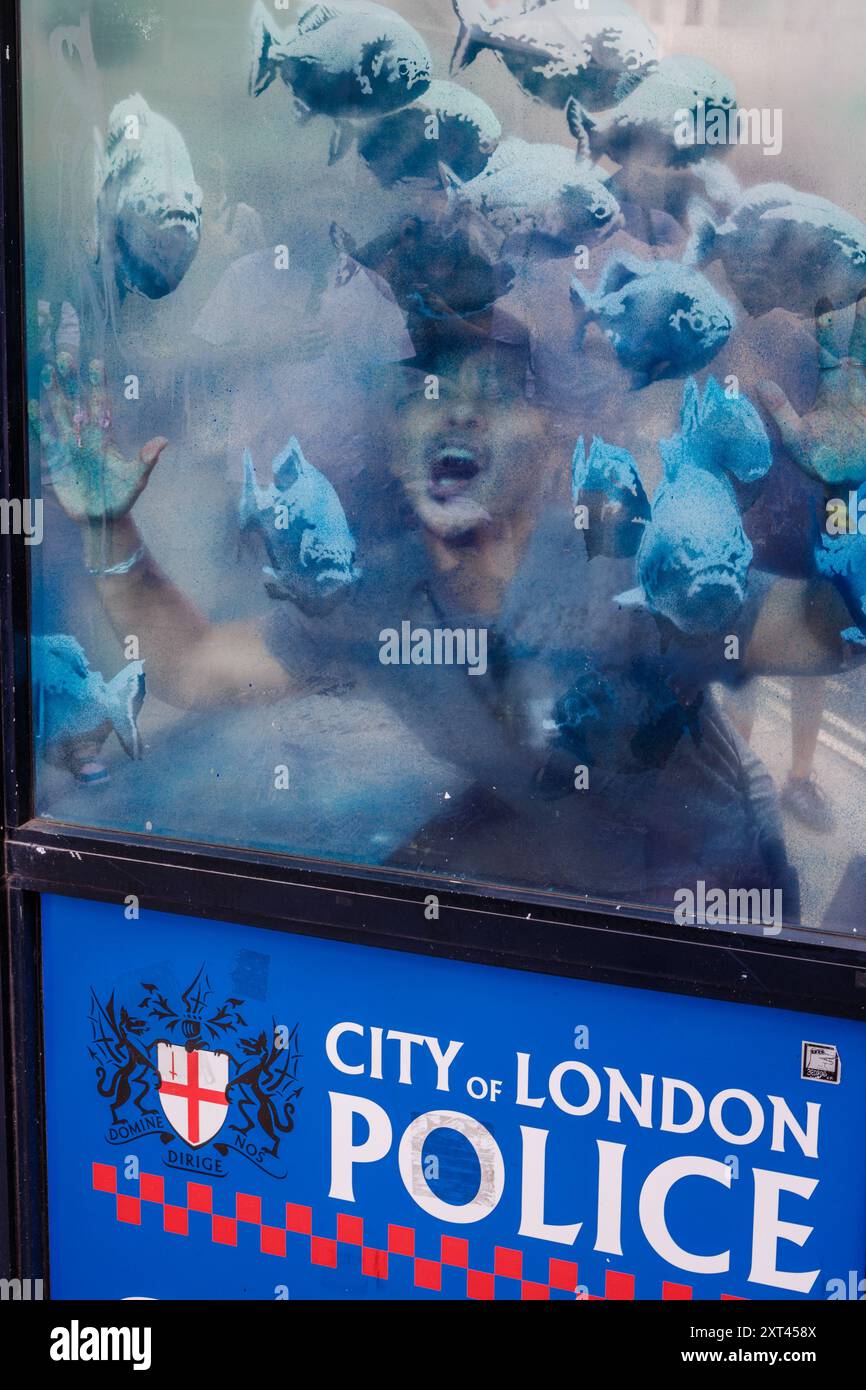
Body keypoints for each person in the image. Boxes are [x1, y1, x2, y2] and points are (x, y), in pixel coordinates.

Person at [29, 300, 865, 923]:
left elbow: (825, 634)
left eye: (496, 391)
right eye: (430, 392)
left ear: (547, 442)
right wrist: (110, 525)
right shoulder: (372, 597)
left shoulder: (630, 556)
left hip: (715, 894)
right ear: (396, 444)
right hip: (558, 888)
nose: (460, 409)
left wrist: (851, 492)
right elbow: (192, 667)